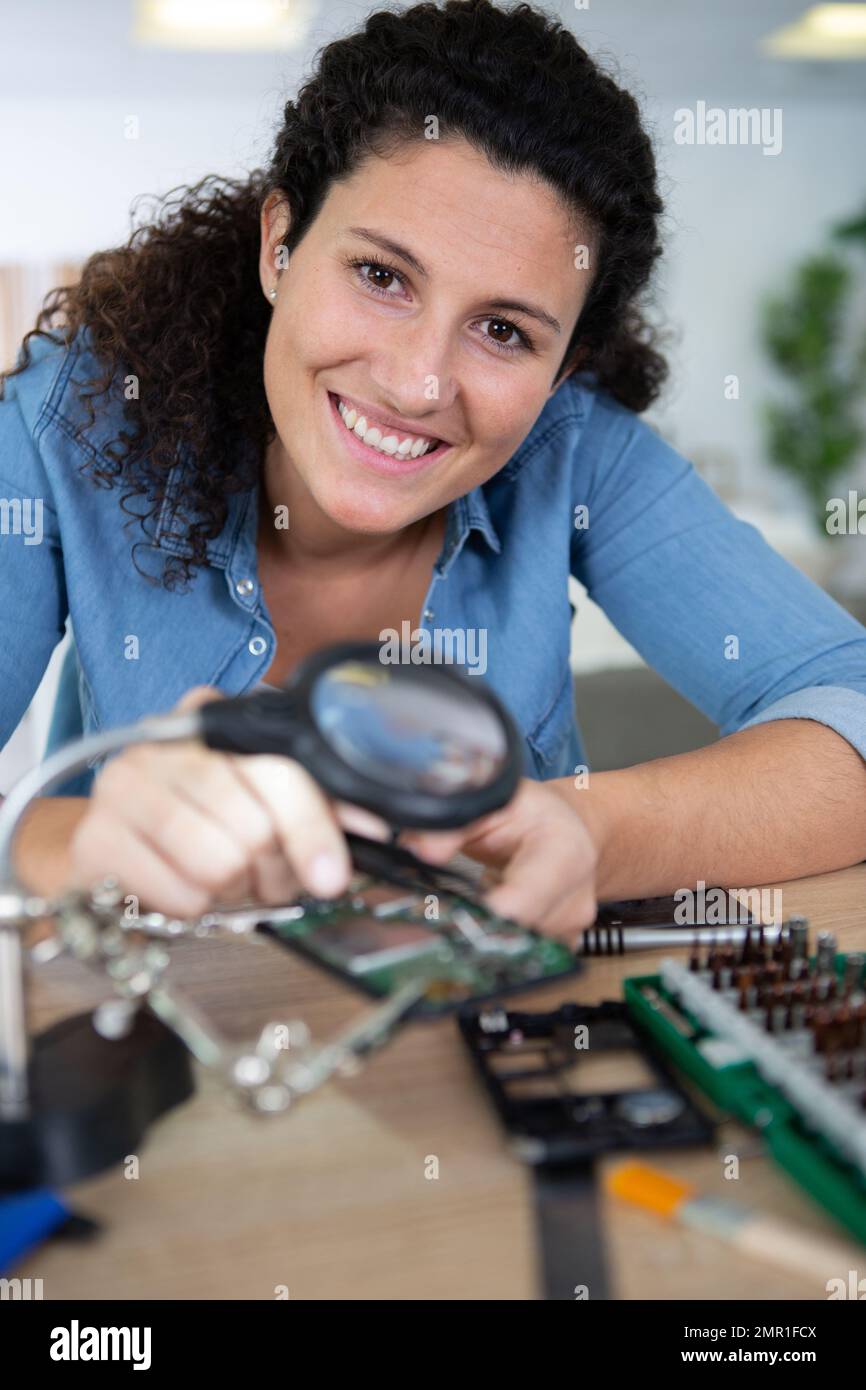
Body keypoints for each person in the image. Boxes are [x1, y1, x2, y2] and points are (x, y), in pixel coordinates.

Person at [2, 0, 866, 939]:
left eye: (503, 331)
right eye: (381, 276)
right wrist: (69, 846)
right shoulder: (69, 426)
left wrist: (590, 828)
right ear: (279, 246)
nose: (418, 385)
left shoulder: (576, 447)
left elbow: (848, 703)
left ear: (565, 366)